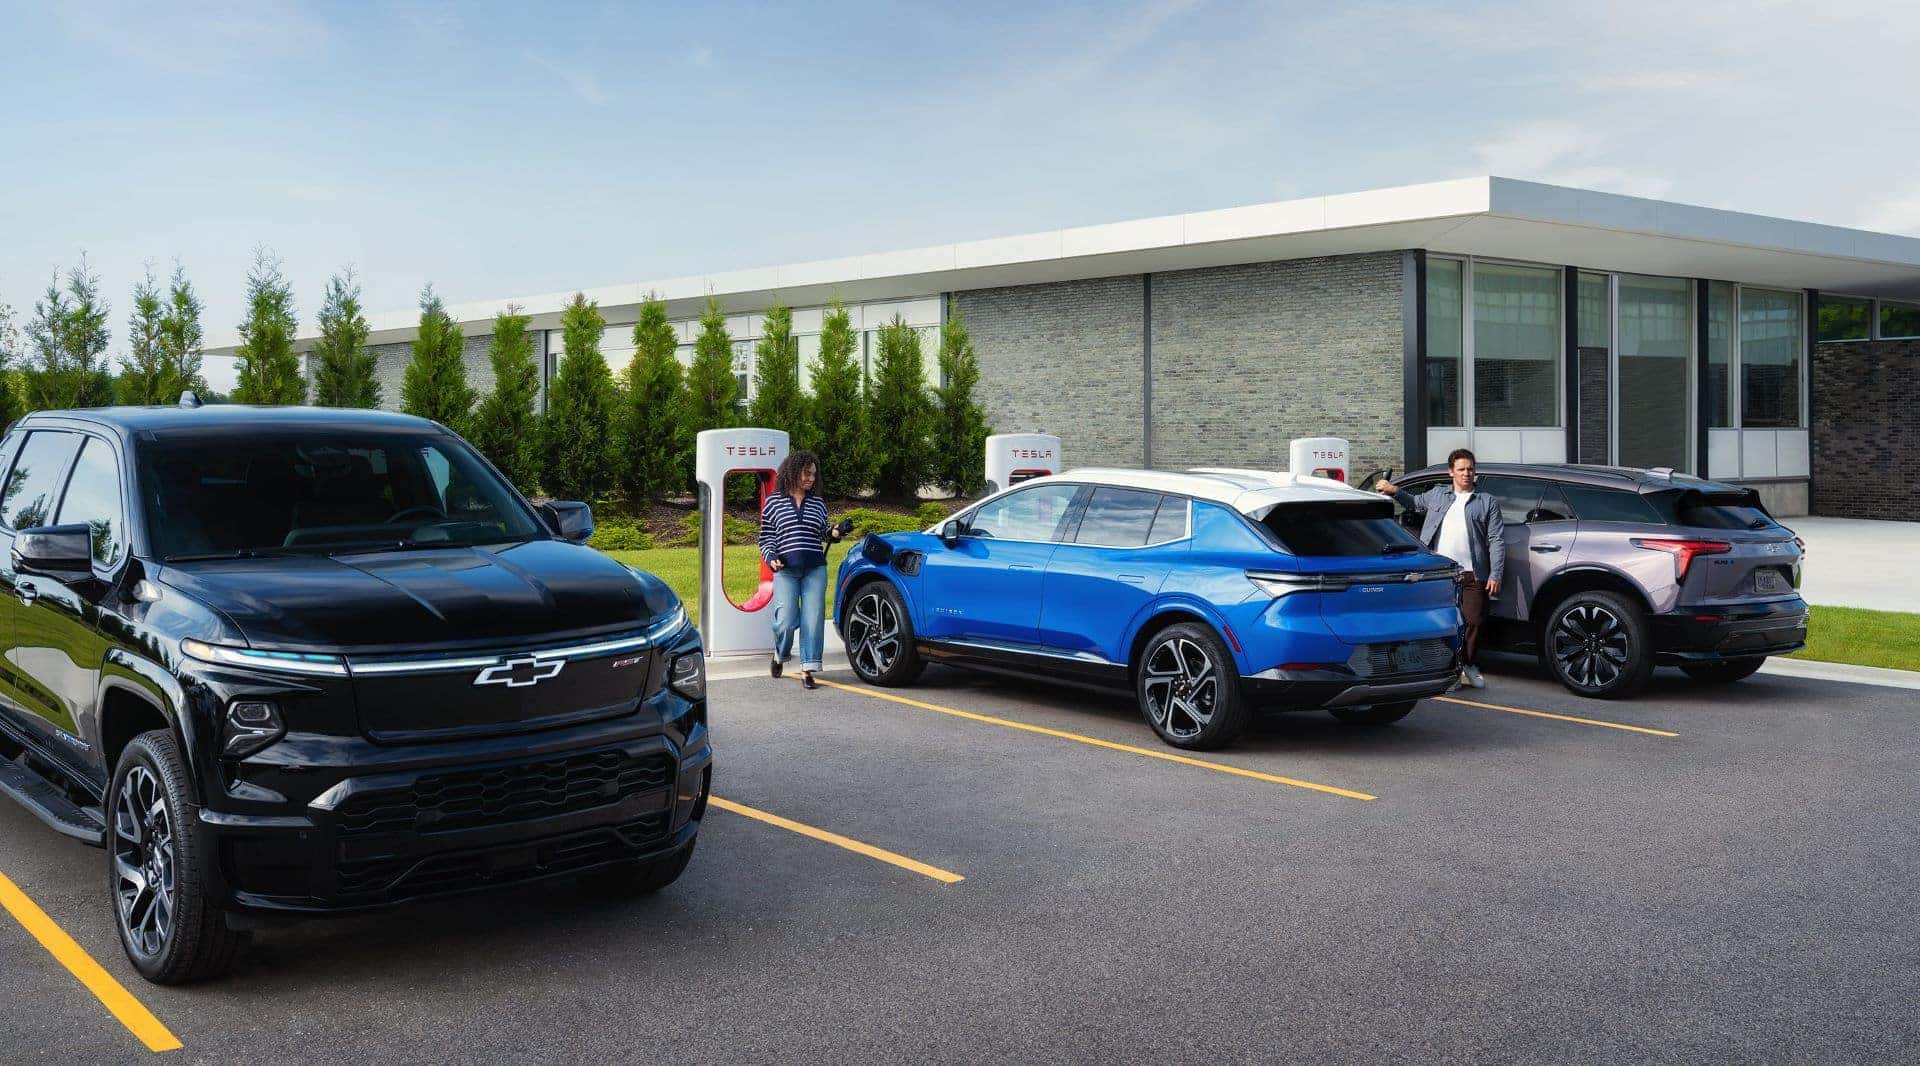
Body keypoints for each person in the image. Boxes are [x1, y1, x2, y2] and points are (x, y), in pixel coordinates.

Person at [1375, 449, 1503, 689]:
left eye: (1470, 469)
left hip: (1473, 574)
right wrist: (1394, 491)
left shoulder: (1486, 501)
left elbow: (1496, 539)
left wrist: (1495, 573)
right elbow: (1414, 503)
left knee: (1473, 621)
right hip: (1441, 573)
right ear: (1451, 472)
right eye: (1462, 469)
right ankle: (1450, 672)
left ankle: (1468, 664)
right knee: (1444, 623)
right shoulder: (1438, 495)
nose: (1467, 473)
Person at [758, 450, 848, 690]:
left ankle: (808, 668)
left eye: (813, 475)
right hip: (786, 570)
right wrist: (771, 557)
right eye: (806, 473)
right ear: (793, 471)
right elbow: (765, 538)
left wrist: (835, 532)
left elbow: (823, 532)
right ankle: (780, 654)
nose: (811, 478)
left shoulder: (817, 503)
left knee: (813, 619)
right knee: (786, 621)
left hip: (814, 569)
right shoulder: (774, 502)